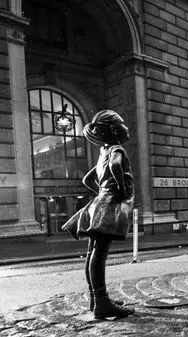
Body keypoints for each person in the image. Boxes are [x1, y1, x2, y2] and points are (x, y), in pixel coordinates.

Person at [61, 110, 134, 320]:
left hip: (100, 202)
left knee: (93, 251)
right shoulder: (116, 149)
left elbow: (87, 179)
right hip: (108, 204)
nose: (126, 128)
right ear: (114, 130)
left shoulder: (103, 151)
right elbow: (115, 165)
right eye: (123, 124)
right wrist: (119, 188)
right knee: (99, 253)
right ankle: (102, 304)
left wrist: (102, 193)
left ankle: (96, 299)